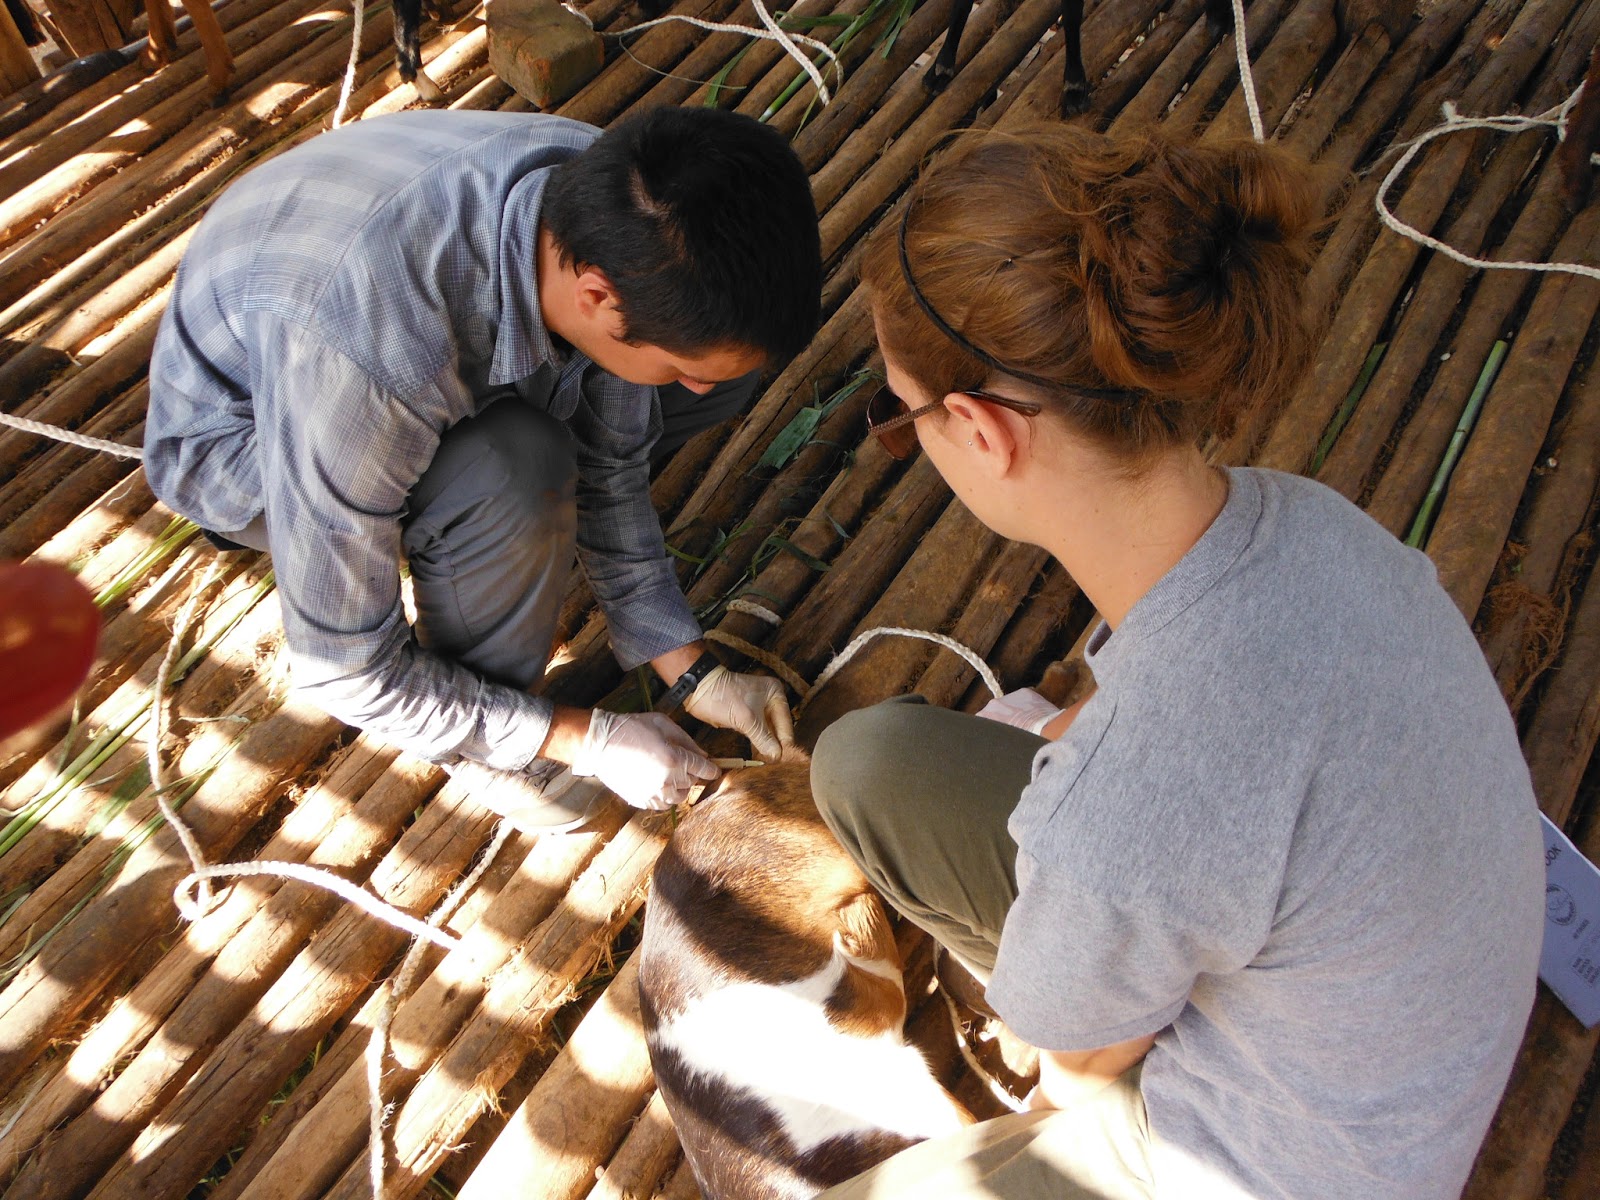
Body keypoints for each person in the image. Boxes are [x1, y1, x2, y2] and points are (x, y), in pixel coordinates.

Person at [810, 124, 1545, 1199]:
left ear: (979, 430)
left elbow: (1074, 1061)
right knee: (871, 766)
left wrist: (1049, 1108)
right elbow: (1191, 755)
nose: (904, 434)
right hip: (1385, 1013)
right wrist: (1074, 761)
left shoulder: (1127, 804)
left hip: (1288, 1165)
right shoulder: (1306, 519)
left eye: (898, 414)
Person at [145, 106, 821, 830]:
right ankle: (488, 739)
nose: (696, 390)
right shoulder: (371, 355)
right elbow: (346, 670)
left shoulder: (632, 214)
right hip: (251, 435)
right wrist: (584, 739)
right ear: (596, 297)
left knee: (712, 374)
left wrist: (690, 670)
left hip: (377, 332)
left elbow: (610, 462)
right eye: (682, 367)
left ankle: (488, 526)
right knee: (514, 470)